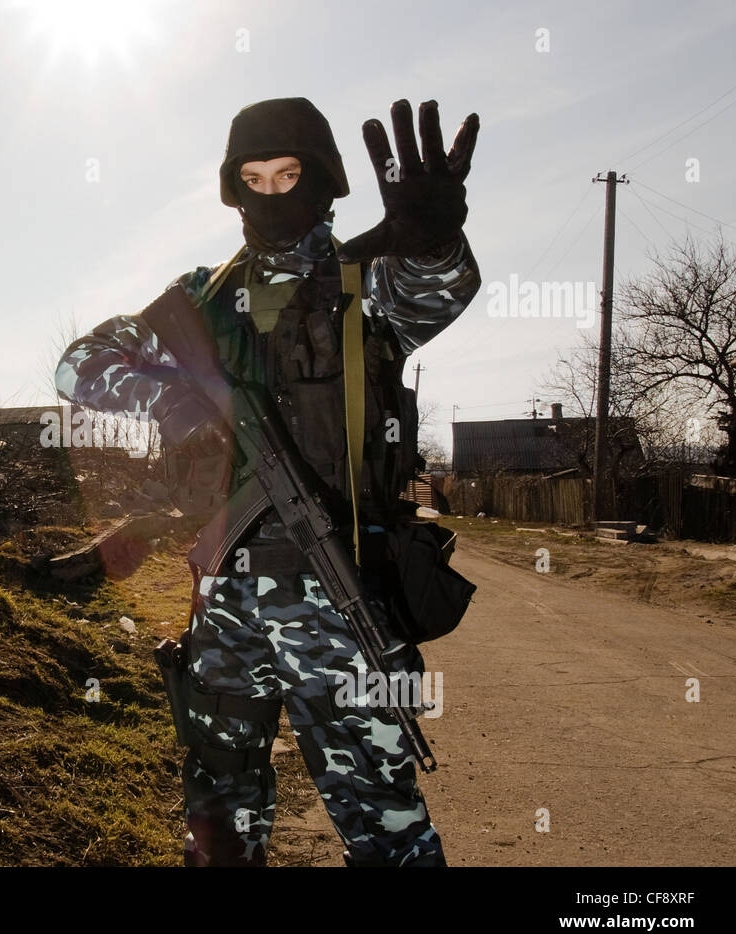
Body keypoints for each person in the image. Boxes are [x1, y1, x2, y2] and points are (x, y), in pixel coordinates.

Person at [54, 96, 480, 866]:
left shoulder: (368, 283)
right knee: (218, 825)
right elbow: (76, 363)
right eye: (253, 177)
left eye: (290, 175)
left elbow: (439, 288)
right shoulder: (198, 301)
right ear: (232, 189)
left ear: (322, 184)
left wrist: (439, 240)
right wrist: (169, 395)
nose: (271, 194)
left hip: (341, 601)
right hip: (222, 609)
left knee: (386, 829)